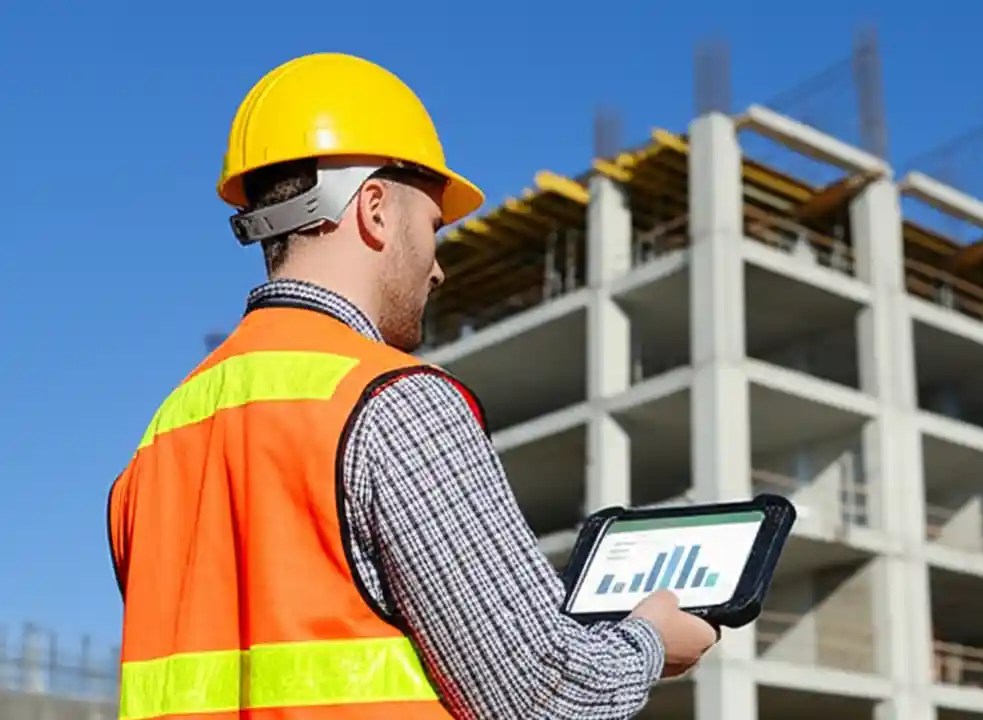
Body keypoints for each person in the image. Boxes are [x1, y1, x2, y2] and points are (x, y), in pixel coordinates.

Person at [106, 52, 718, 720]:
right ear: (372, 208)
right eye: (431, 229)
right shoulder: (395, 401)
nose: (438, 271)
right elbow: (545, 696)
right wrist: (650, 640)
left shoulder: (161, 441)